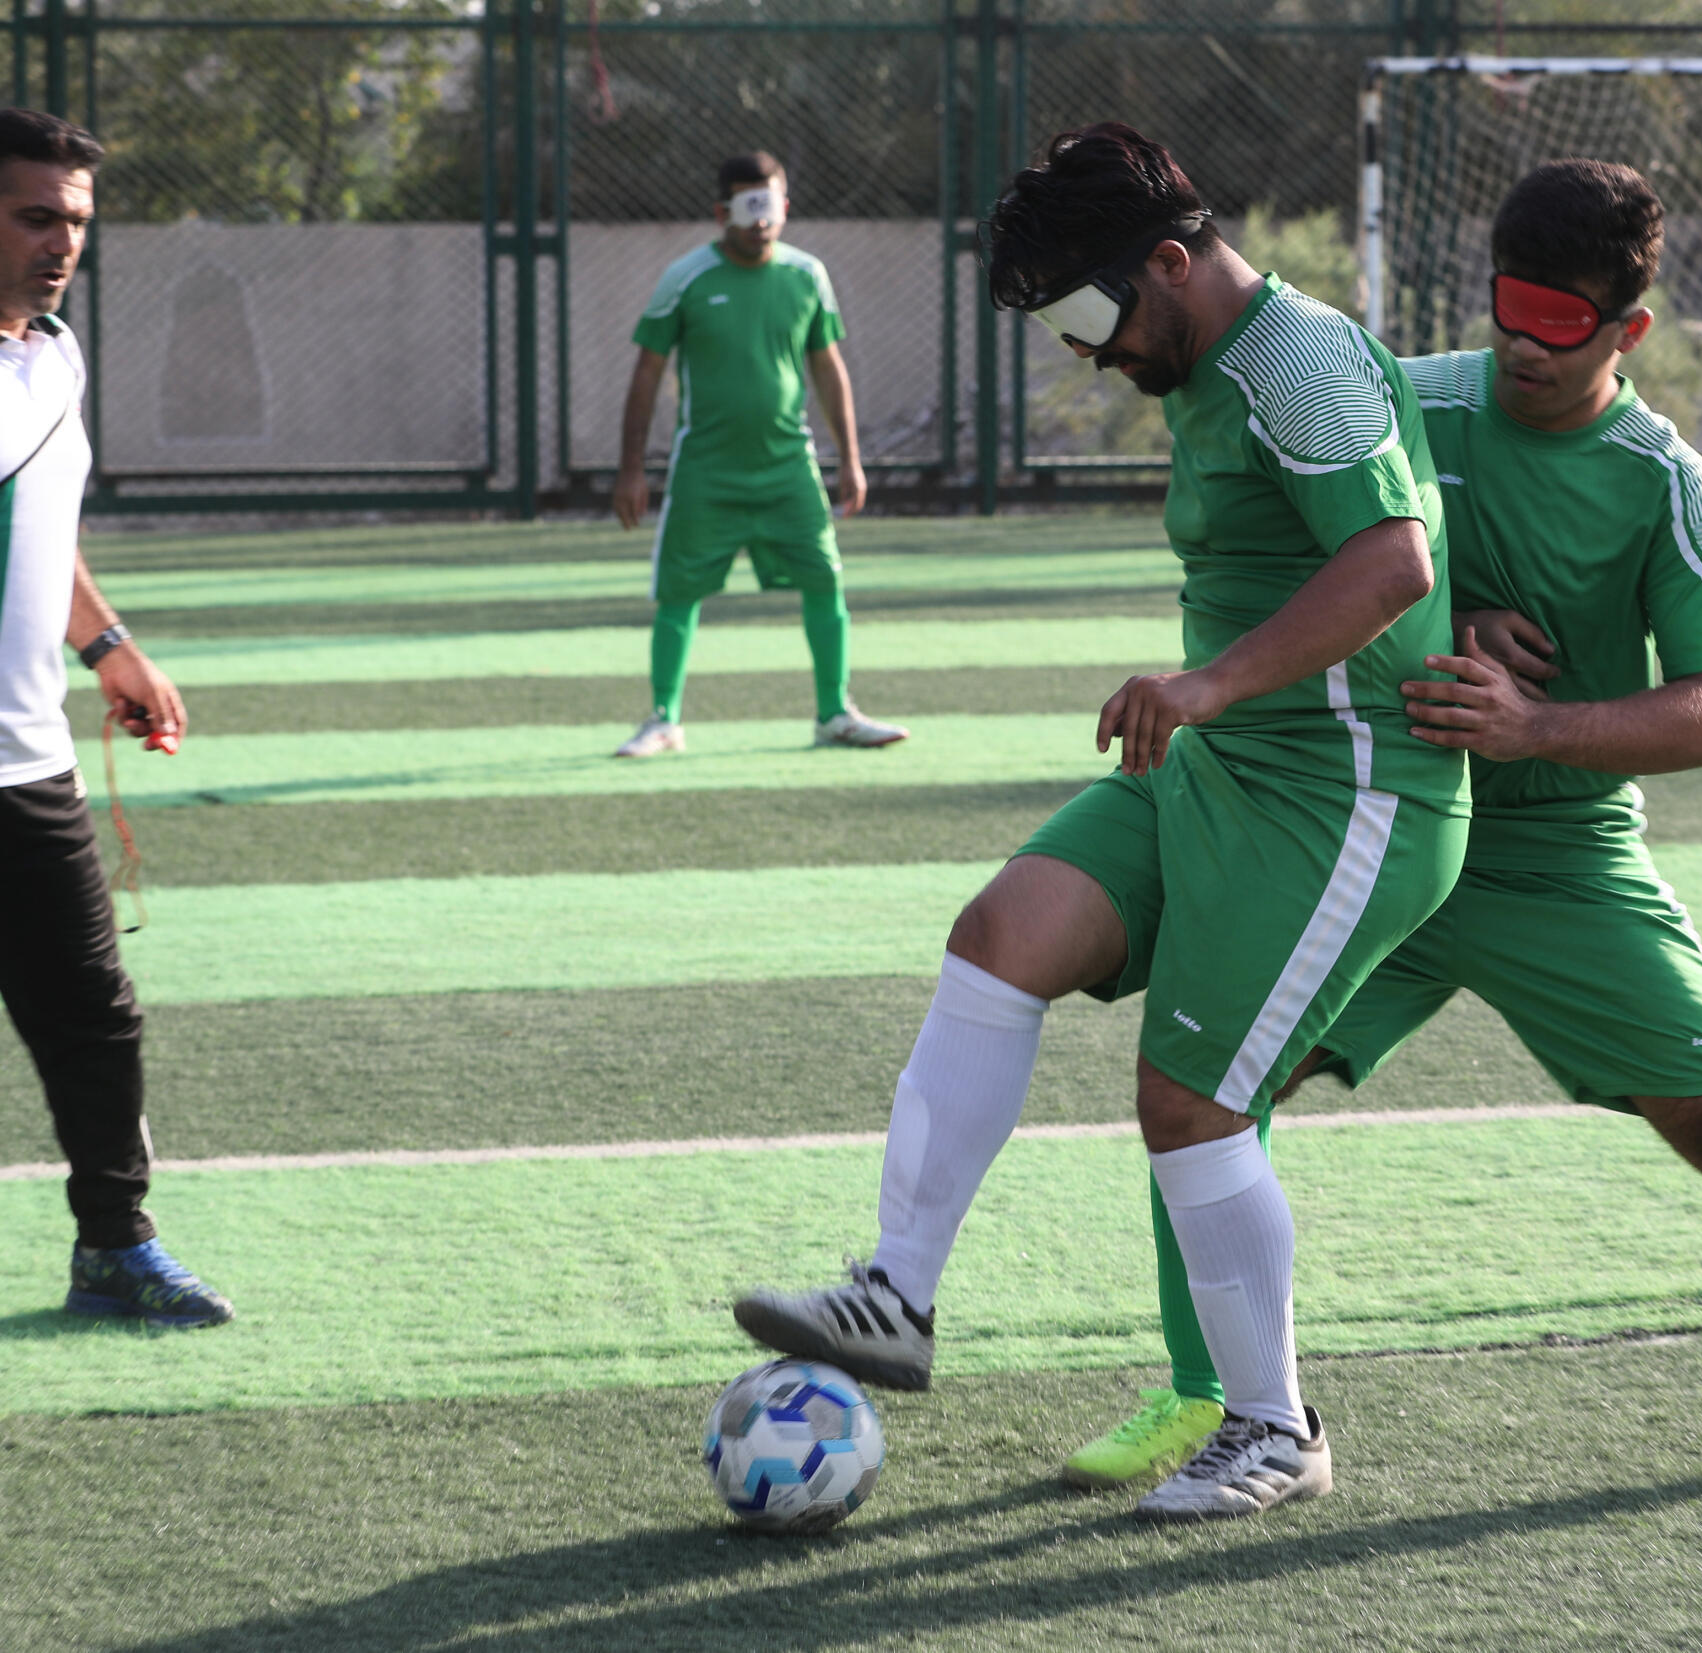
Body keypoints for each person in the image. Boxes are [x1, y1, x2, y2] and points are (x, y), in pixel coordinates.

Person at [1065, 159, 1702, 1490]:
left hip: (1560, 859)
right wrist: (1447, 623)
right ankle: (1209, 1395)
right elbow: (1338, 551)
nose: (1524, 351)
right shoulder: (1405, 395)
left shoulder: (1664, 482)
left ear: (1631, 331)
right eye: (1508, 313)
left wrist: (1537, 728)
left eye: (1563, 326)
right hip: (1368, 825)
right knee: (1208, 1090)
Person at [731, 122, 1471, 1522]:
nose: (1088, 353)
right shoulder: (1210, 357)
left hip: (1350, 793)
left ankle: (1272, 1427)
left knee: (1190, 1106)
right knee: (1003, 931)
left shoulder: (1299, 358)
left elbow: (1392, 559)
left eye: (1089, 317)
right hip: (1223, 764)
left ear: (1176, 265)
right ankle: (896, 1296)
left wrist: (1206, 680)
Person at [0, 109, 234, 1384]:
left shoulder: (57, 354)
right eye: (37, 217)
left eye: (77, 221)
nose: (63, 244)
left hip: (29, 760)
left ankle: (114, 1249)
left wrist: (110, 646)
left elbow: (42, 527)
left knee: (94, 1018)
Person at [609, 151, 904, 757]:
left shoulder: (807, 276)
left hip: (787, 468)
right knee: (678, 591)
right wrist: (631, 468)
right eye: (747, 208)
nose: (759, 220)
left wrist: (850, 458)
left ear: (786, 208)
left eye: (768, 206)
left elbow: (828, 367)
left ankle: (834, 712)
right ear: (721, 213)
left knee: (824, 577)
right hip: (705, 472)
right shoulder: (685, 278)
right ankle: (663, 718)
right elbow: (646, 372)